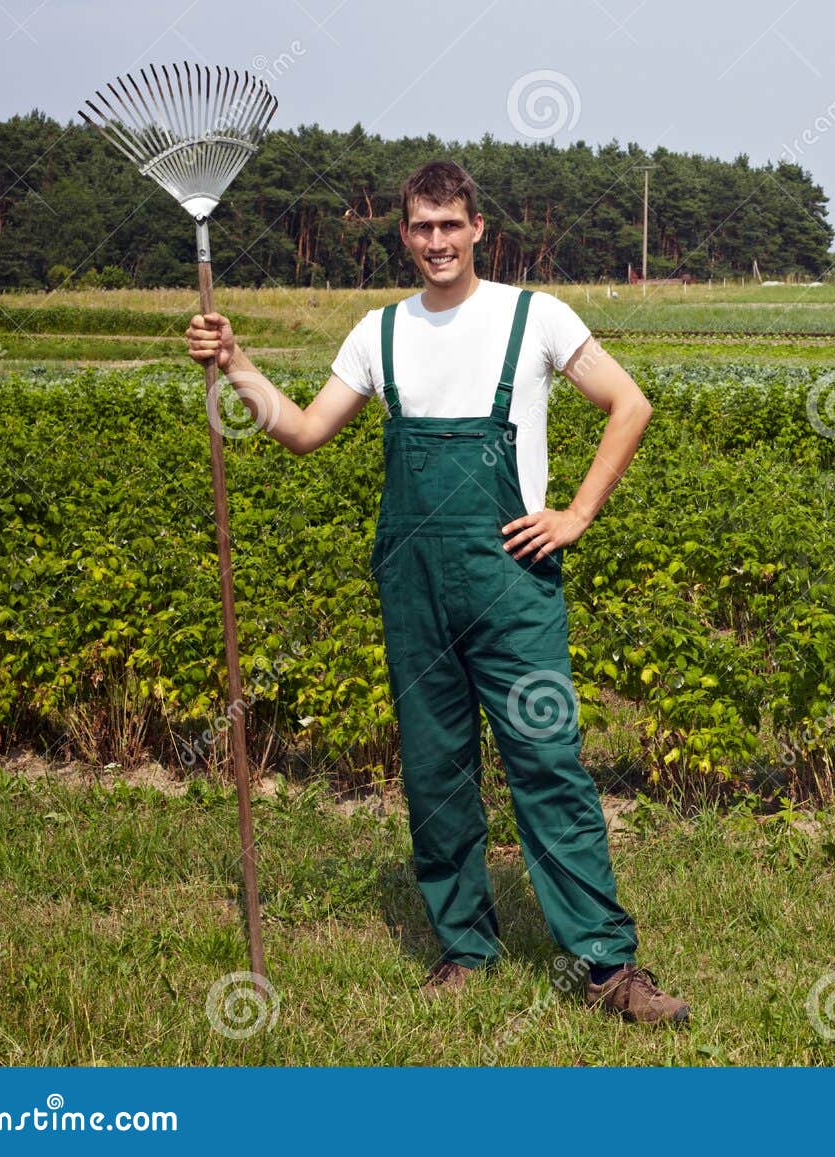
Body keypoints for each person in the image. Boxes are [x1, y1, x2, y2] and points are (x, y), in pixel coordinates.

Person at [186, 159, 689, 1026]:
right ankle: (465, 947)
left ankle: (608, 966)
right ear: (405, 233)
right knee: (434, 770)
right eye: (421, 226)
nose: (436, 241)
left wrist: (574, 513)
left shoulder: (533, 318)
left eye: (450, 224)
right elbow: (304, 429)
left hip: (513, 587)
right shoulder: (379, 333)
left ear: (478, 229)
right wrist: (235, 361)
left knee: (549, 765)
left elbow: (629, 403)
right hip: (415, 588)